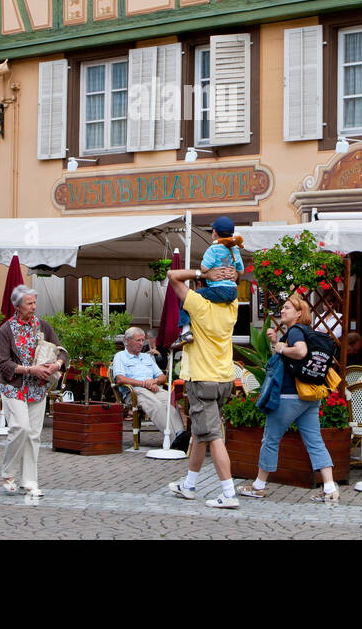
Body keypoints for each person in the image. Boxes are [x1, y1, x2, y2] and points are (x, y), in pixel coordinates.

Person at [237, 295, 339, 502]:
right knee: (314, 441)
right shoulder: (304, 332)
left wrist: (281, 347)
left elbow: (300, 352)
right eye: (282, 308)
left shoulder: (294, 331)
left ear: (299, 313)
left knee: (271, 439)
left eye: (286, 308)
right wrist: (277, 342)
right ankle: (329, 488)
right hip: (309, 396)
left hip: (290, 395)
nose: (282, 311)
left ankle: (258, 485)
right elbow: (289, 358)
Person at [166, 262, 240, 508]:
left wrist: (202, 272)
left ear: (203, 286)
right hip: (224, 378)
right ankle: (189, 484)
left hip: (202, 378)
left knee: (213, 435)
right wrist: (230, 274)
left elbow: (173, 276)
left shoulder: (198, 304)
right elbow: (233, 285)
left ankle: (229, 493)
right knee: (200, 432)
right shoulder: (232, 306)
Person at [0, 285, 68, 497]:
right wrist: (30, 369)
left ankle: (29, 480)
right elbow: (4, 364)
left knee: (34, 434)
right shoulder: (6, 330)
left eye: (35, 302)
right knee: (20, 427)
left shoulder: (42, 326)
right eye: (29, 303)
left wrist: (56, 365)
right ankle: (8, 473)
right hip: (14, 386)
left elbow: (61, 351)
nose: (33, 307)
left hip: (37, 388)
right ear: (17, 306)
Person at [177, 216, 244, 346]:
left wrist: (208, 272)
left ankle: (185, 331)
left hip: (218, 290)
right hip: (233, 292)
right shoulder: (235, 249)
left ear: (214, 232)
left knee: (187, 299)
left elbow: (204, 268)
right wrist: (233, 272)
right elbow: (241, 271)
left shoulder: (213, 249)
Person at [112, 327, 183, 436]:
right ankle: (173, 438)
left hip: (153, 389)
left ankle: (180, 434)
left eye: (143, 340)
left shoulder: (147, 357)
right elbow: (120, 379)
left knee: (171, 401)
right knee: (157, 405)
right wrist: (145, 384)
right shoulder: (120, 356)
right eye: (138, 340)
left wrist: (154, 381)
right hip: (134, 392)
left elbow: (162, 377)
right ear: (128, 341)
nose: (141, 343)